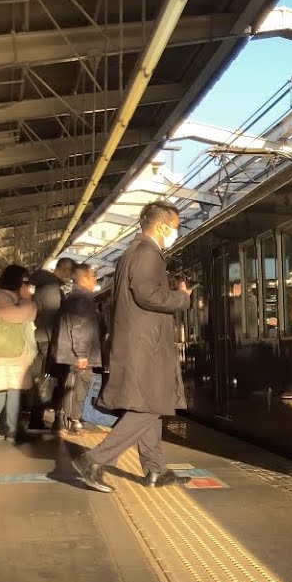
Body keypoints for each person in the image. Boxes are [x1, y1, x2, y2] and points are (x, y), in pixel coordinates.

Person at [73, 201, 191, 492]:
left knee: (149, 404)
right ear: (162, 225)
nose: (174, 233)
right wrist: (181, 297)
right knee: (152, 404)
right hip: (145, 346)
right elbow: (147, 294)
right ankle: (94, 460)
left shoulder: (132, 253)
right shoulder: (147, 253)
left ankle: (155, 470)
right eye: (174, 227)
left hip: (139, 343)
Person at [0, 266, 37, 440]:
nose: (26, 284)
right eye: (24, 279)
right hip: (7, 351)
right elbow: (16, 316)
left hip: (10, 351)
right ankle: (11, 429)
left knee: (4, 389)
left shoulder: (9, 296)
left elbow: (30, 316)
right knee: (13, 388)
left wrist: (26, 299)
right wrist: (26, 300)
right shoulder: (2, 296)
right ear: (16, 279)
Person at [54, 264, 103, 435]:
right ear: (86, 277)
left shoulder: (73, 297)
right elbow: (80, 327)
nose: (95, 280)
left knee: (73, 385)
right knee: (76, 386)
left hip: (73, 352)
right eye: (94, 276)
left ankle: (72, 420)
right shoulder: (82, 299)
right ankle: (72, 421)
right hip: (79, 354)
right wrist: (82, 354)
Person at [29, 257, 76, 430]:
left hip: (43, 337)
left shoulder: (47, 285)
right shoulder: (51, 287)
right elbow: (53, 317)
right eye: (70, 273)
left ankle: (37, 416)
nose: (70, 277)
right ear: (65, 270)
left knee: (43, 377)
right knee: (45, 378)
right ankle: (36, 417)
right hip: (48, 338)